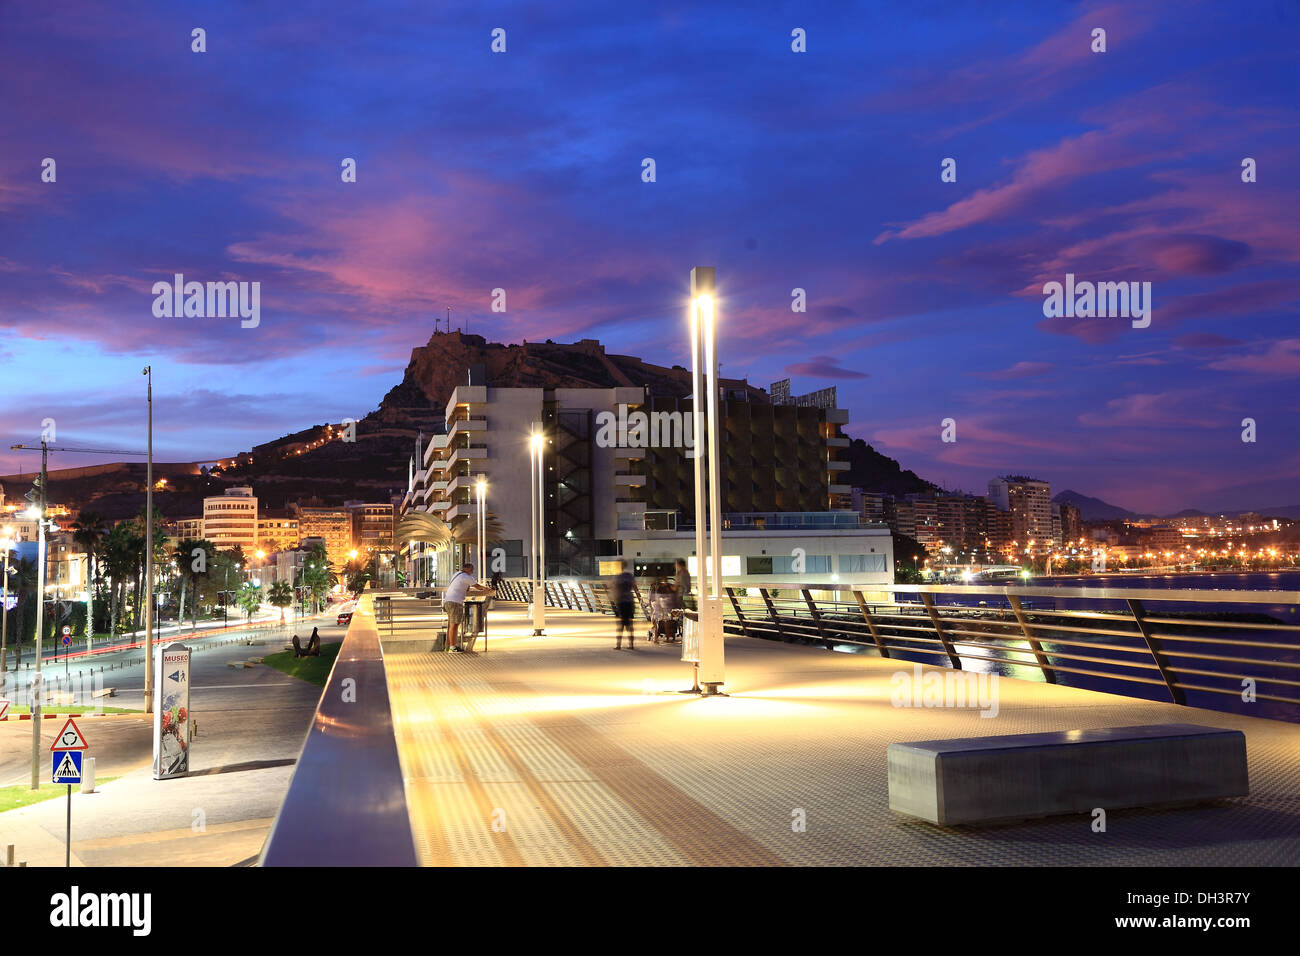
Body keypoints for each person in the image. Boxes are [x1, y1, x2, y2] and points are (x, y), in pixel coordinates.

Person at [444, 562, 494, 652]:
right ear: (468, 569)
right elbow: (478, 586)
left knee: (452, 624)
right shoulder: (467, 577)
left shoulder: (457, 574)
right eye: (472, 570)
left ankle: (448, 646)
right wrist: (487, 589)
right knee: (454, 625)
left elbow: (465, 587)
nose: (472, 572)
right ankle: (452, 647)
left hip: (448, 601)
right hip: (455, 602)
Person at [610, 561, 636, 650]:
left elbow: (615, 589)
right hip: (630, 601)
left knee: (620, 624)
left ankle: (618, 645)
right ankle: (631, 644)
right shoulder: (630, 576)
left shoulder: (618, 577)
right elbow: (634, 587)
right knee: (630, 623)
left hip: (621, 602)